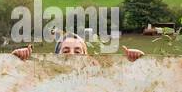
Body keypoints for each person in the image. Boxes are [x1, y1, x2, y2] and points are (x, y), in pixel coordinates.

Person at [12, 32, 143, 62]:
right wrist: (16, 60)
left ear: (86, 55)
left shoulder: (97, 78)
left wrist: (138, 60)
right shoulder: (42, 77)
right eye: (66, 50)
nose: (72, 54)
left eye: (78, 51)